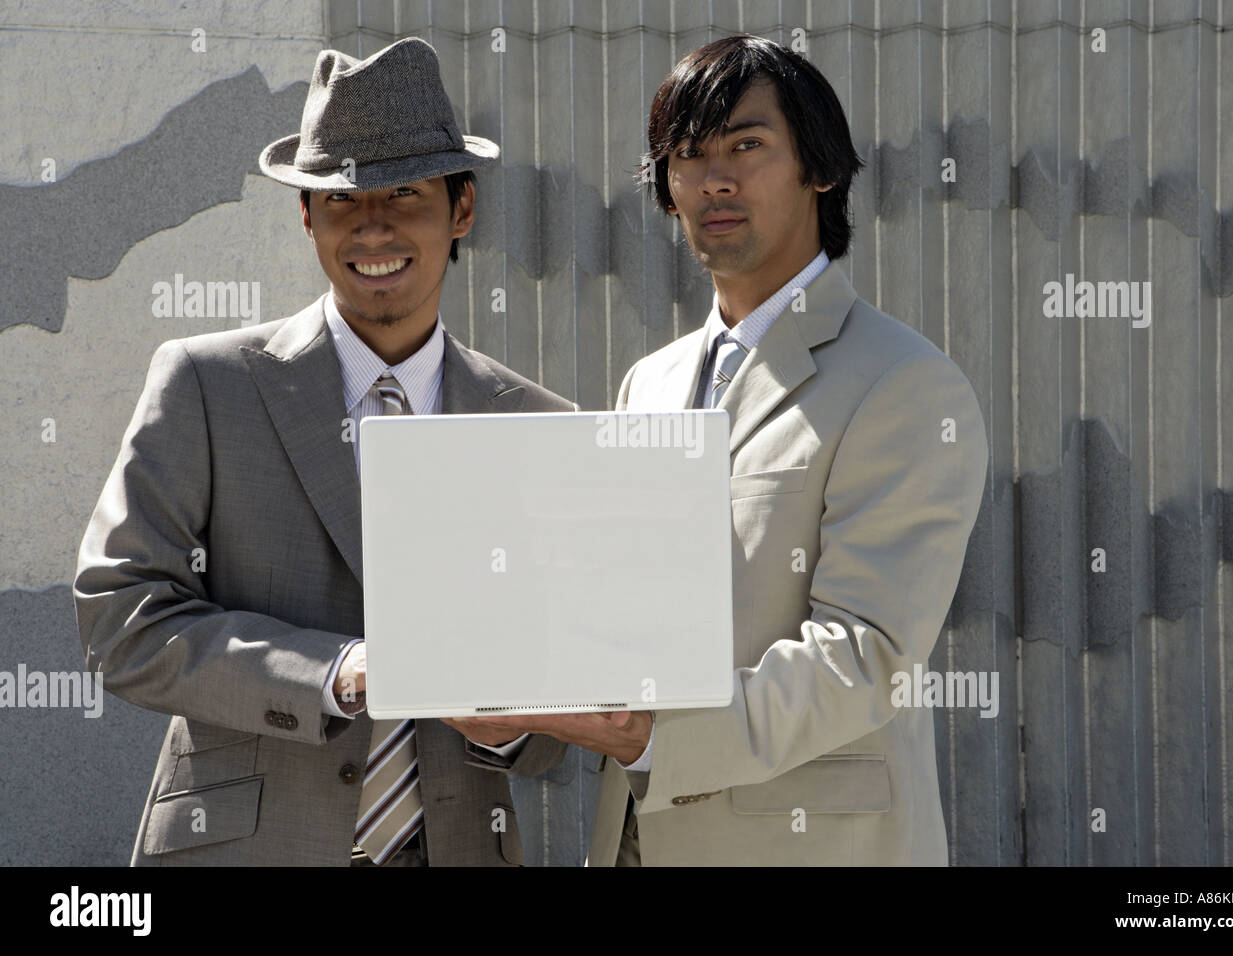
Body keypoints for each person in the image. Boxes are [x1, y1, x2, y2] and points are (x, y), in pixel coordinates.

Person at [463, 34, 988, 865]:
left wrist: (651, 738)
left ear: (820, 167)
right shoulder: (651, 384)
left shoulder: (904, 384)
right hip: (635, 839)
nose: (714, 179)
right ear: (666, 190)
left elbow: (866, 654)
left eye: (747, 146)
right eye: (687, 155)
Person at [73, 37, 574, 867]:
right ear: (306, 217)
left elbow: (556, 721)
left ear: (463, 210)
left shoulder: (536, 423)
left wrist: (519, 719)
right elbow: (122, 620)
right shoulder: (206, 384)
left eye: (405, 193)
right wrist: (338, 674)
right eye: (342, 200)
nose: (372, 225)